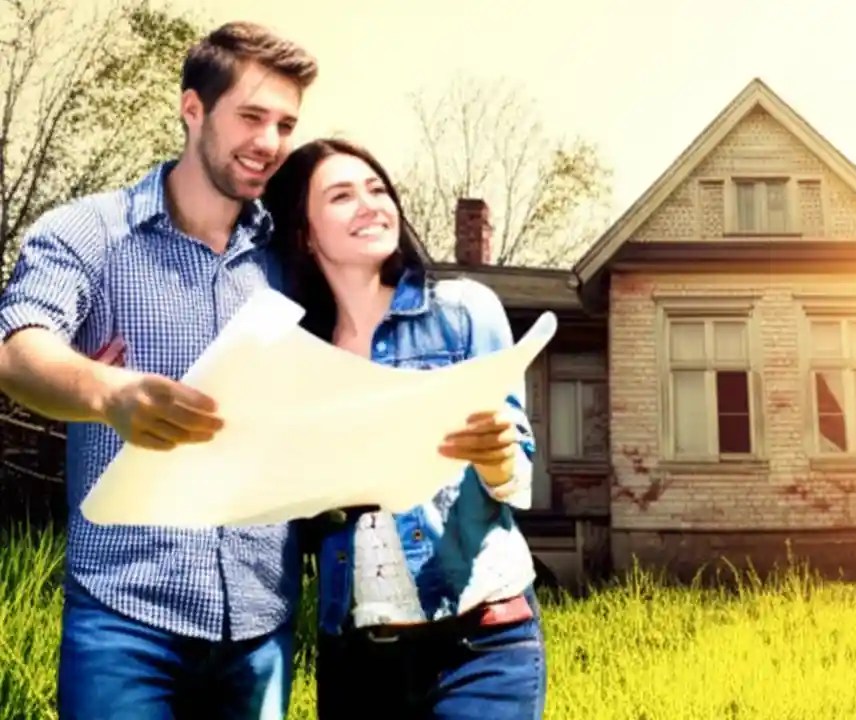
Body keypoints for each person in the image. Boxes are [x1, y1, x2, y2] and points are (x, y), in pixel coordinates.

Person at [0, 22, 318, 719]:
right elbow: (20, 348)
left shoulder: (291, 256)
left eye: (286, 124)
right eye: (252, 116)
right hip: (125, 614)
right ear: (193, 109)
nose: (270, 142)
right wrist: (105, 391)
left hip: (259, 619)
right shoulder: (88, 232)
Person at [260, 137, 547, 719]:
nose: (370, 205)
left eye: (378, 189)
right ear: (303, 233)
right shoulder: (294, 357)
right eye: (341, 195)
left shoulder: (465, 310)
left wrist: (494, 454)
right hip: (359, 655)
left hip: (481, 638)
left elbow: (519, 472)